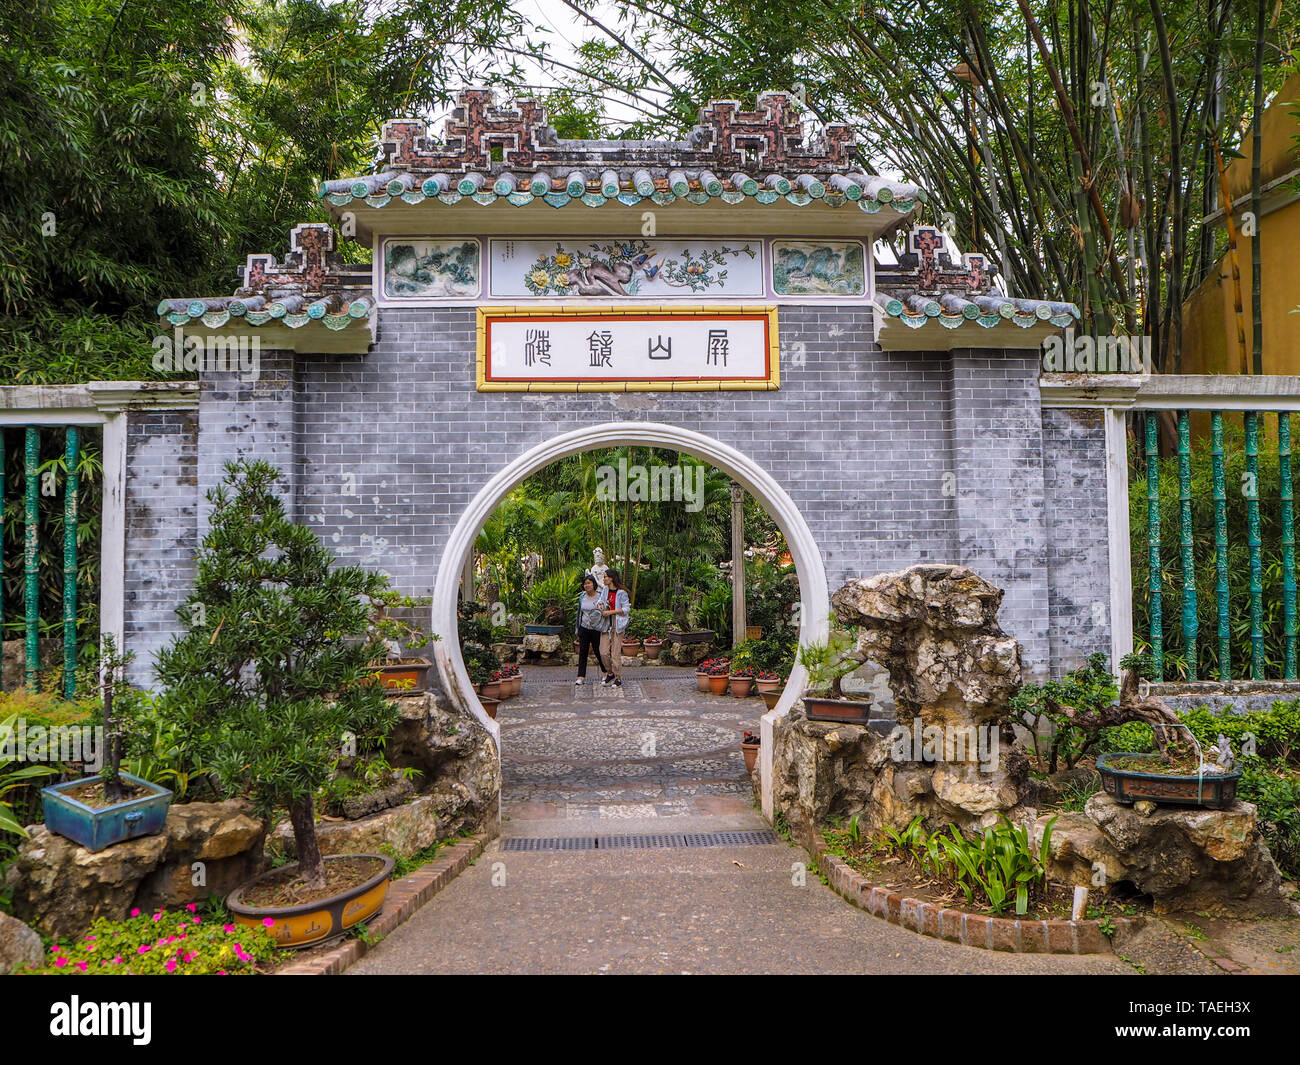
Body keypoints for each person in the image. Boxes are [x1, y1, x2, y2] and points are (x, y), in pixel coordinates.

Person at [574, 575, 609, 685]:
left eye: (589, 583)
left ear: (594, 584)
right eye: (585, 583)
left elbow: (605, 610)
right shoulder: (582, 597)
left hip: (597, 628)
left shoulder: (600, 596)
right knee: (583, 652)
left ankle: (605, 673)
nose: (587, 585)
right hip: (584, 628)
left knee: (599, 651)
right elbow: (580, 613)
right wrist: (577, 628)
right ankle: (581, 676)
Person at [599, 569, 631, 688]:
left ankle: (618, 677)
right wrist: (600, 605)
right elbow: (600, 601)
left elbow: (626, 609)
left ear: (612, 578)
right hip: (606, 623)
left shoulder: (621, 592)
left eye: (606, 577)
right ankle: (609, 673)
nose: (604, 579)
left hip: (617, 623)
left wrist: (611, 612)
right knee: (603, 652)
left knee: (615, 652)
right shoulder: (605, 590)